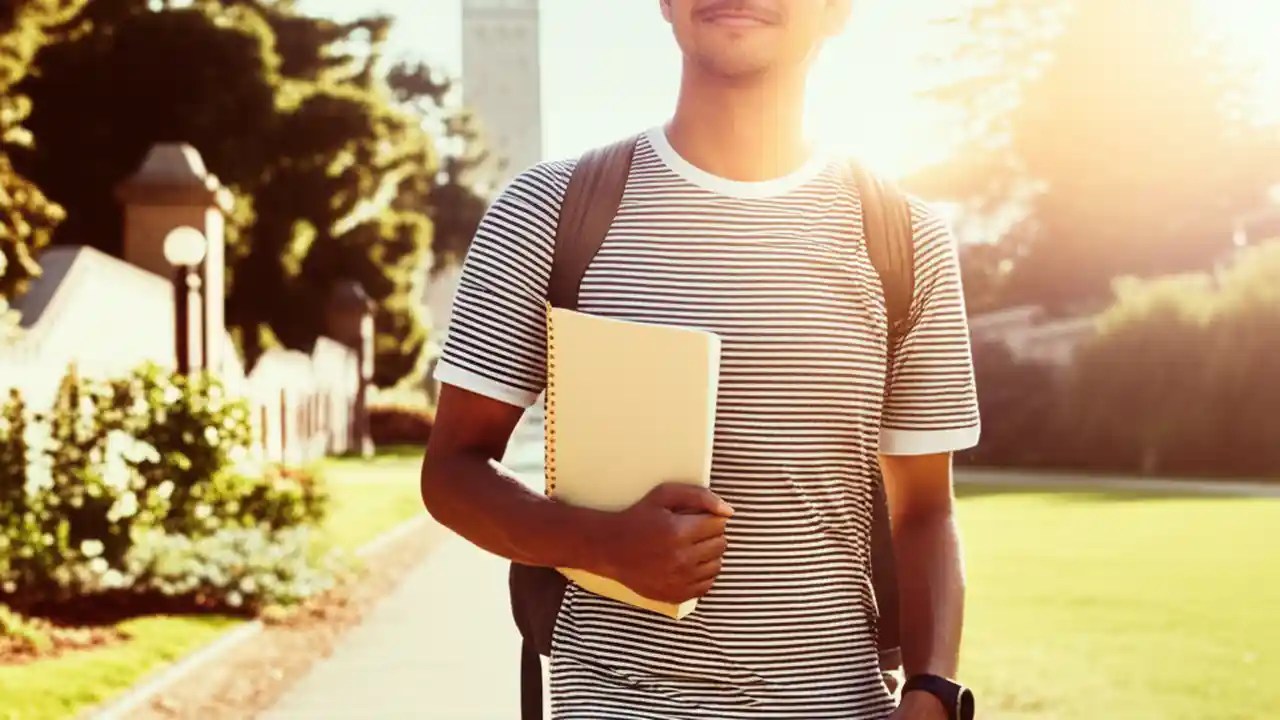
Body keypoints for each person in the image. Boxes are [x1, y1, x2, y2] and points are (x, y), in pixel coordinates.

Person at [420, 1, 981, 718]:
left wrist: (933, 691)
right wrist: (602, 543)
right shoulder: (550, 209)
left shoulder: (905, 239)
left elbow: (926, 510)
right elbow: (451, 472)